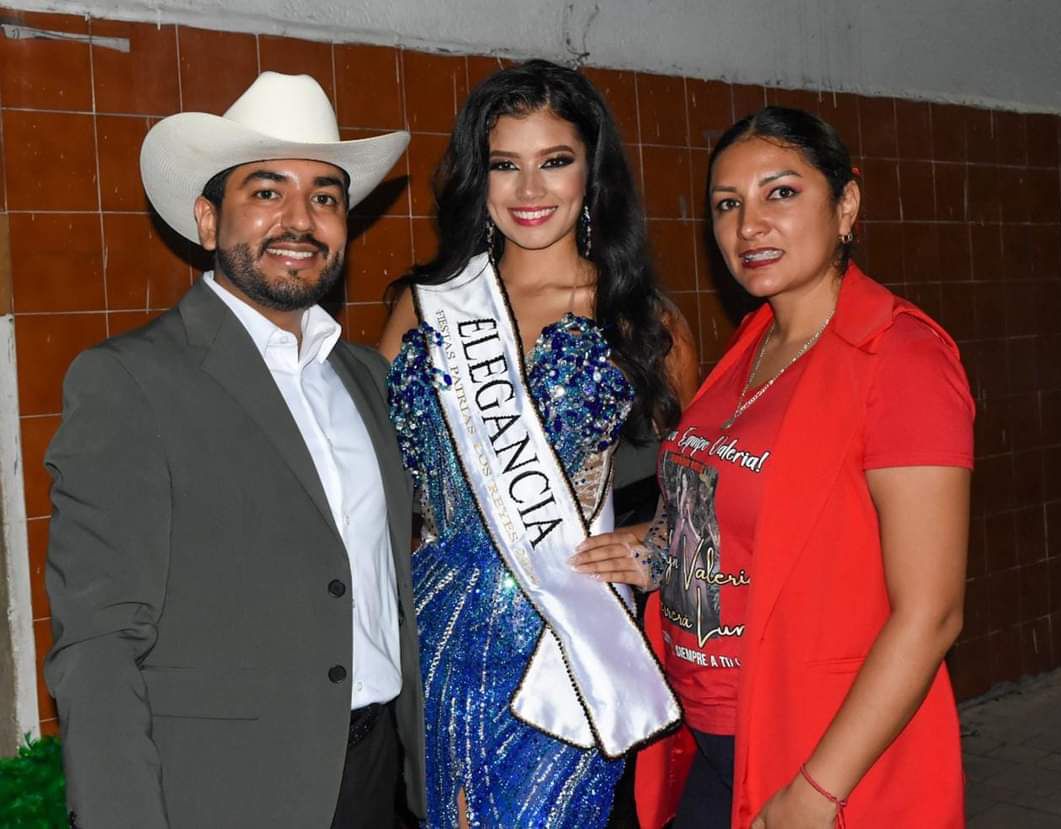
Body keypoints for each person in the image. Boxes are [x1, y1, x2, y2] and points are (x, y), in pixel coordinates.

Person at [44, 72, 424, 829]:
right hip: (227, 792)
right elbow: (98, 645)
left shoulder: (368, 376)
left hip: (377, 775)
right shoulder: (130, 380)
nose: (300, 219)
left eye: (324, 196)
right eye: (267, 191)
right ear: (208, 221)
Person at [575, 106, 973, 828]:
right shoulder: (752, 343)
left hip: (817, 748)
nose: (749, 225)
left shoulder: (901, 359)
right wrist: (657, 545)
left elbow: (932, 612)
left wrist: (816, 793)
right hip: (711, 735)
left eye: (780, 193)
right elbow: (751, 515)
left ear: (846, 203)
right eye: (728, 205)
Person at [377, 60, 698, 828]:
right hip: (436, 636)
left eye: (554, 162)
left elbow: (709, 485)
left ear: (593, 173)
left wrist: (659, 547)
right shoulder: (424, 308)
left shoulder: (639, 320)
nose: (529, 191)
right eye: (504, 165)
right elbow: (376, 478)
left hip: (565, 649)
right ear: (476, 178)